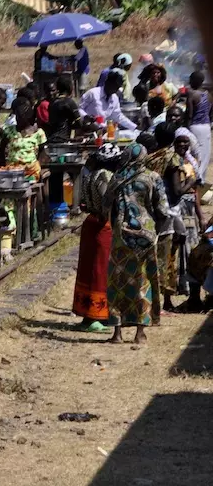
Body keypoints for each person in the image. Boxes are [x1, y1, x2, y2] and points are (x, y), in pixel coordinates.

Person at [106, 143, 170, 345]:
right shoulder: (152, 177)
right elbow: (163, 209)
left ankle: (117, 332)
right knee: (143, 281)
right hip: (146, 234)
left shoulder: (116, 178)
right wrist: (156, 229)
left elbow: (106, 206)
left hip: (120, 237)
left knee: (117, 282)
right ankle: (140, 332)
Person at [73, 144, 124, 332]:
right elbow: (106, 202)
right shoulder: (105, 176)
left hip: (91, 224)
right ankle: (97, 315)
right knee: (101, 270)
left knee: (88, 269)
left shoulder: (90, 174)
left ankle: (87, 315)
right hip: (103, 226)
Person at [161, 131, 199, 312]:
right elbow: (180, 189)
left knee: (190, 247)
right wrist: (190, 182)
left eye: (186, 142)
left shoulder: (192, 163)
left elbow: (196, 193)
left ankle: (192, 294)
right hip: (176, 209)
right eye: (179, 142)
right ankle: (174, 290)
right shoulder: (172, 162)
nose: (183, 146)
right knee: (173, 251)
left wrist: (200, 215)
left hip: (189, 211)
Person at [0, 97, 48, 179]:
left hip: (31, 170)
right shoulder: (9, 131)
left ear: (29, 118)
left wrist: (38, 165)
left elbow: (43, 152)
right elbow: (2, 148)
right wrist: (3, 164)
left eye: (21, 118)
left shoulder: (38, 133)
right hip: (12, 170)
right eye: (17, 117)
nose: (18, 120)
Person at [186, 71, 211, 182]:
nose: (189, 82)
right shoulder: (208, 94)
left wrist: (185, 129)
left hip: (195, 127)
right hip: (206, 126)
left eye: (191, 79)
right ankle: (202, 180)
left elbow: (189, 115)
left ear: (195, 81)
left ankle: (195, 179)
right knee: (205, 155)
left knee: (195, 154)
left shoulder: (191, 94)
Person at [46, 76, 84, 142]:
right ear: (69, 87)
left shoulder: (51, 103)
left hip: (51, 140)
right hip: (63, 141)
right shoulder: (70, 102)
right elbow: (79, 124)